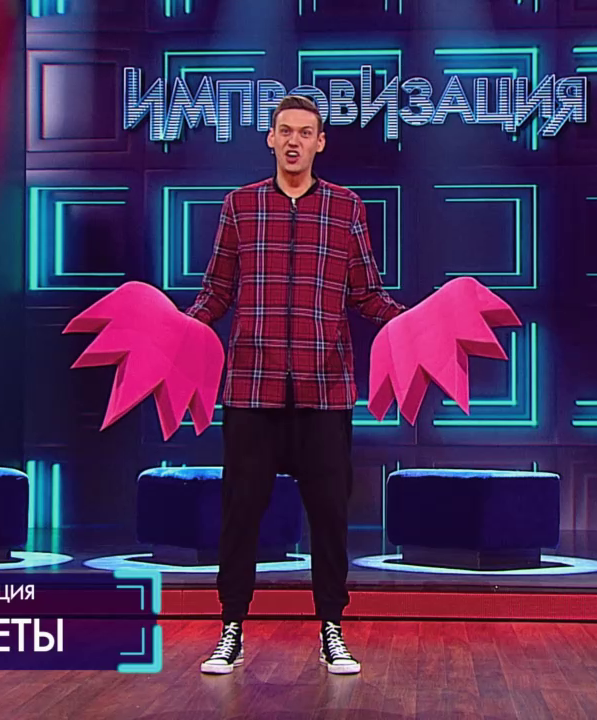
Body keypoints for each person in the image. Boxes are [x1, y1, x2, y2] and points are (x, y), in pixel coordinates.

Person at [184, 95, 405, 675]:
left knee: (329, 518)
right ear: (271, 138)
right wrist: (181, 330)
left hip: (324, 392)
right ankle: (231, 628)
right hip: (251, 391)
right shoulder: (240, 206)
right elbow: (217, 292)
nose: (294, 142)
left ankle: (332, 628)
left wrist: (409, 321)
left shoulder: (346, 207)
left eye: (305, 133)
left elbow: (366, 294)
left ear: (320, 142)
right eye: (285, 131)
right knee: (240, 516)